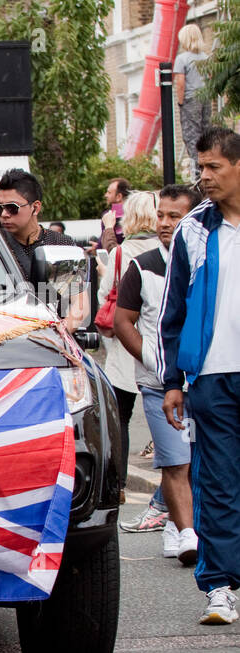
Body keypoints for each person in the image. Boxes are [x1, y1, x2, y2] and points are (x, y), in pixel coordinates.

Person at [158, 127, 240, 625]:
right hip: (211, 378)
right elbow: (174, 310)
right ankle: (221, 588)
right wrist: (172, 380)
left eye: (214, 167)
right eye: (201, 167)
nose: (203, 177)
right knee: (220, 485)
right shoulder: (193, 229)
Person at [113, 184, 202, 564]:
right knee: (176, 460)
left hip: (203, 381)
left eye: (174, 216)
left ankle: (178, 525)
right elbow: (123, 321)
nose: (164, 224)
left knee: (200, 461)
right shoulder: (142, 265)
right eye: (160, 215)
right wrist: (153, 359)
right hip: (157, 384)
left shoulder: (205, 260)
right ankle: (186, 534)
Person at [97, 191, 159, 500]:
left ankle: (119, 483)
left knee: (120, 414)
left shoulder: (123, 253)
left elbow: (104, 296)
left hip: (124, 344)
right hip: (159, 341)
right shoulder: (168, 250)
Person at [175, 24, 213, 179]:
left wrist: (180, 102)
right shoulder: (205, 57)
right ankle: (208, 167)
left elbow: (180, 83)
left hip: (190, 99)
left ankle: (197, 174)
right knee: (205, 133)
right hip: (205, 97)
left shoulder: (182, 59)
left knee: (191, 136)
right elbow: (211, 78)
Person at [100, 178, 131, 251]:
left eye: (109, 192)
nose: (106, 195)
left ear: (119, 197)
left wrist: (98, 247)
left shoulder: (108, 216)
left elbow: (106, 242)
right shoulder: (134, 214)